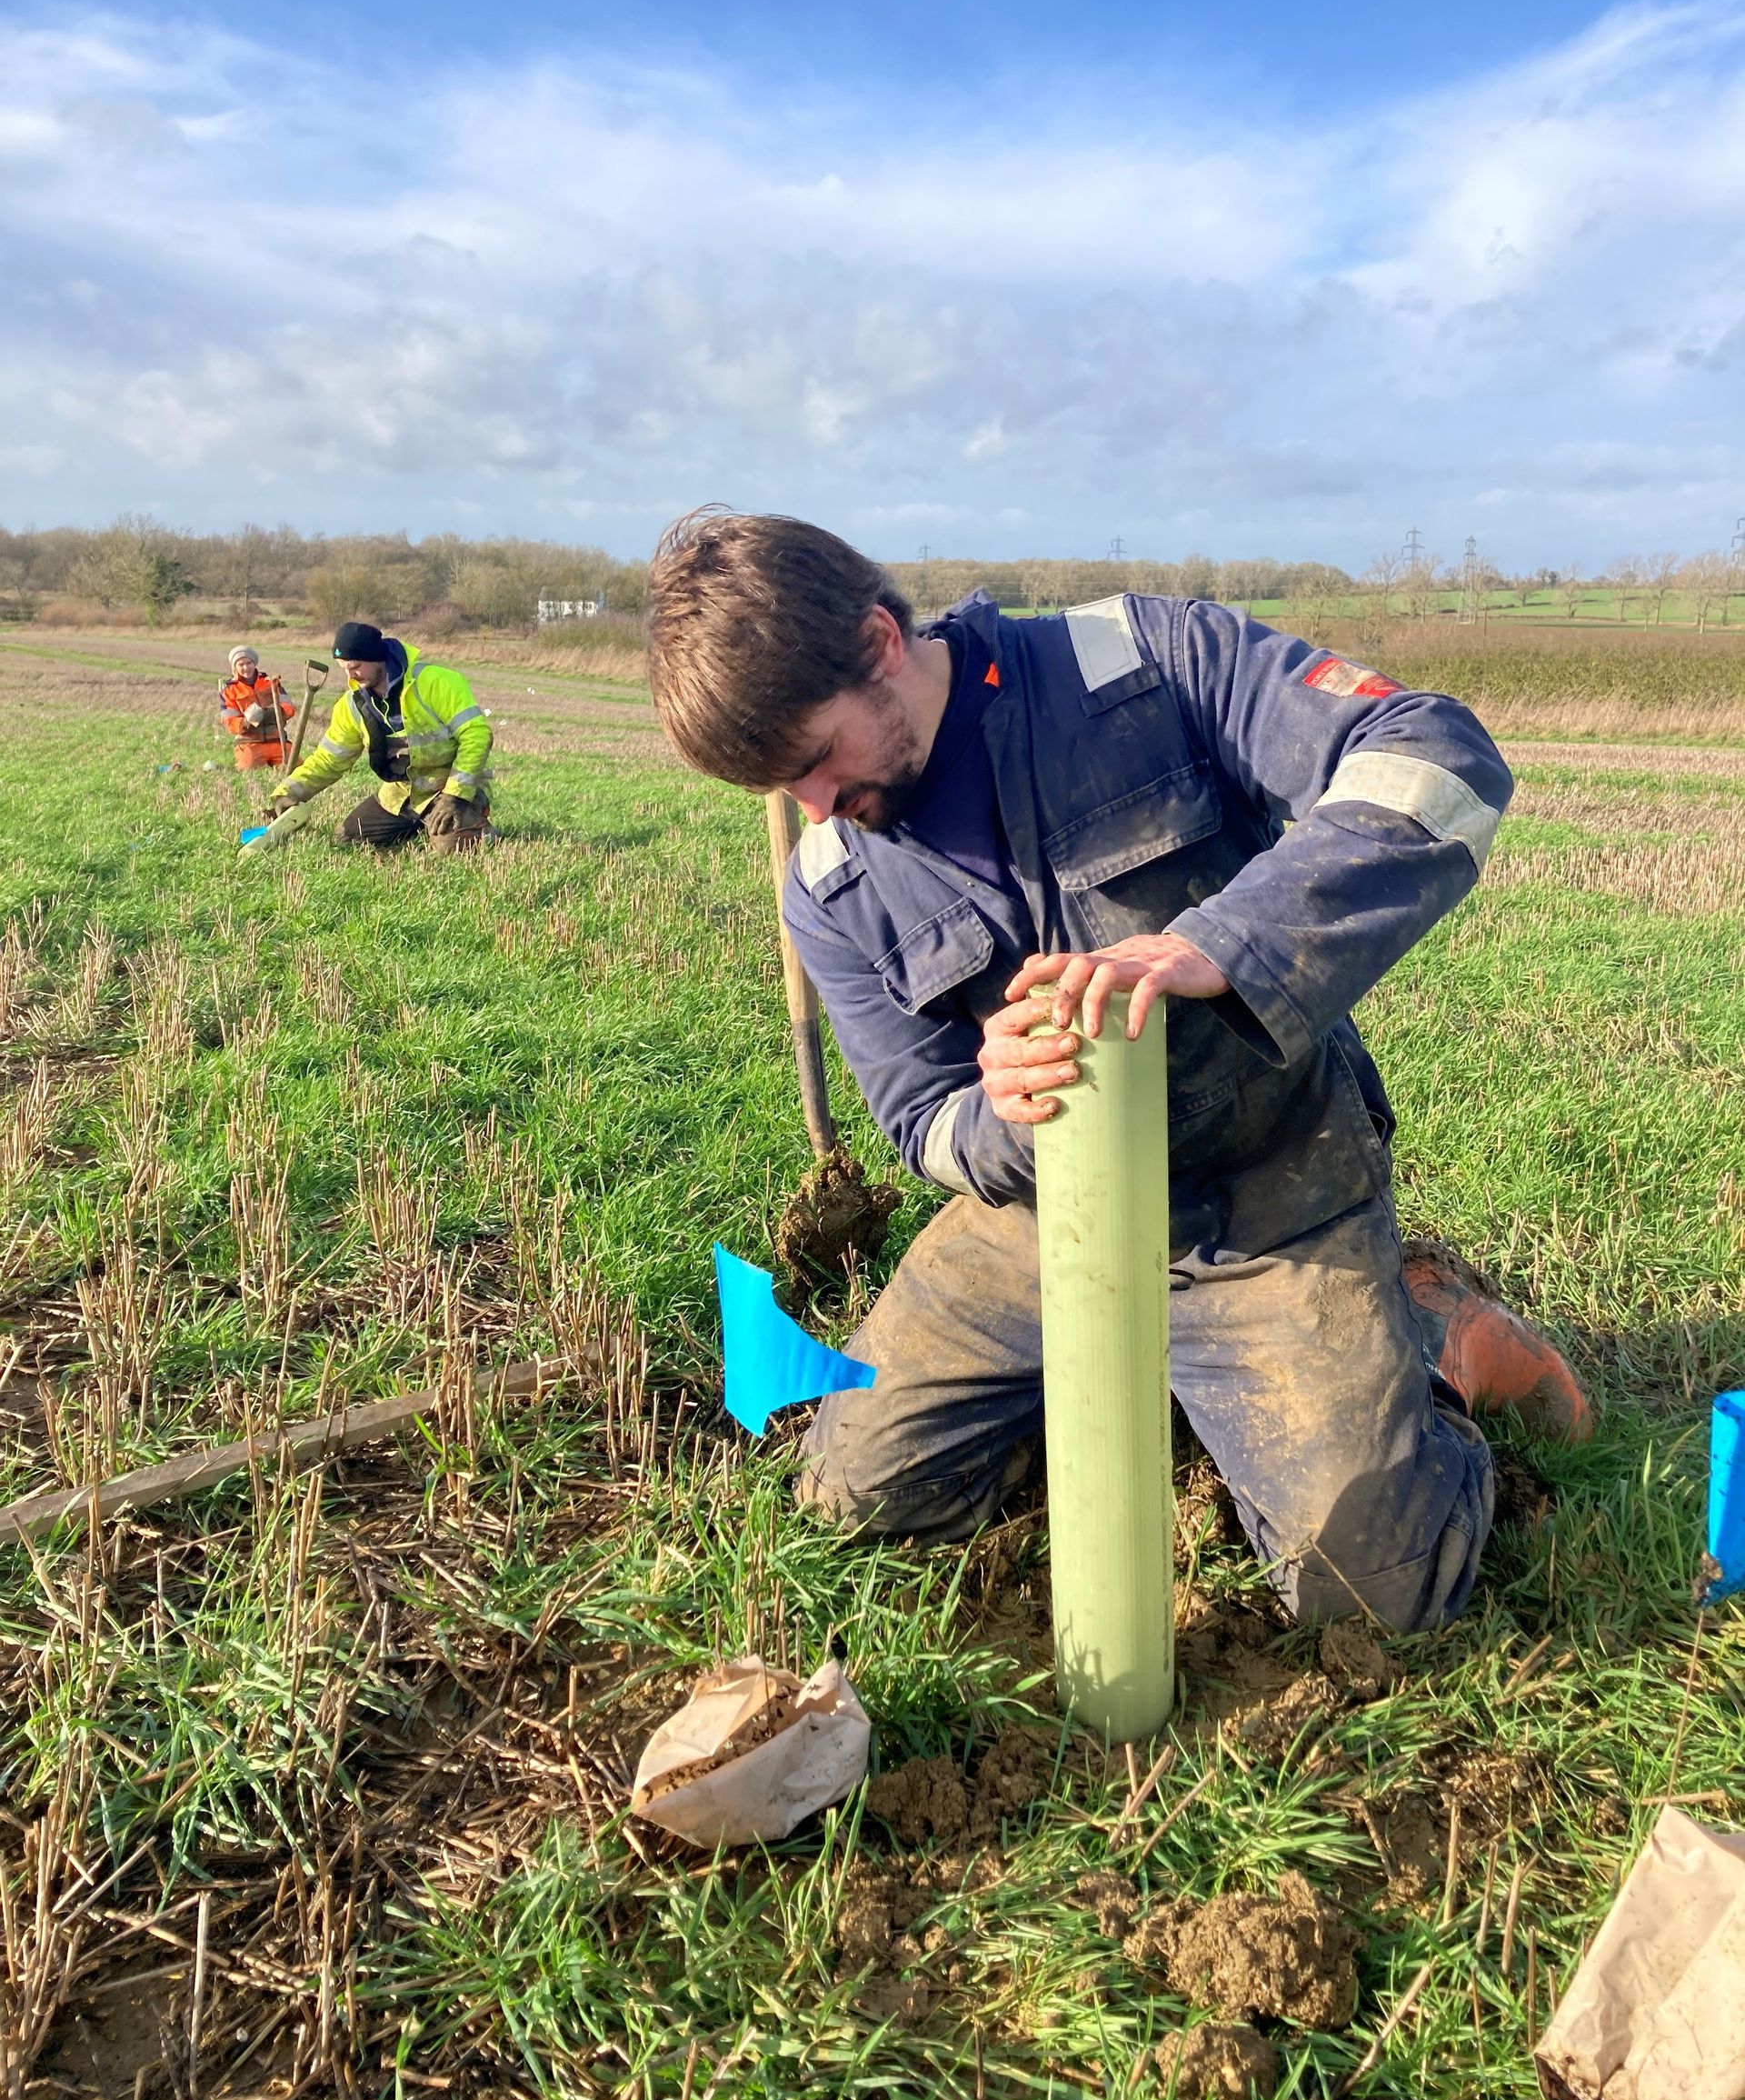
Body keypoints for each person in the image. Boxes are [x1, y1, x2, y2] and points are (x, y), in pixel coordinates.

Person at [645, 510, 1594, 1632]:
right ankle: (1147, 1384)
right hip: (1040, 1221)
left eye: (814, 759)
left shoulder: (1145, 661)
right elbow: (920, 1118)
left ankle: (1431, 1330)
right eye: (778, 785)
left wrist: (1221, 943)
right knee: (849, 1495)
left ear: (878, 642)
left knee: (1374, 1597)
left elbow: (1436, 756)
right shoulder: (828, 879)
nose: (813, 806)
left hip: (1266, 1201)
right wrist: (997, 1106)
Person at [266, 621, 493, 851]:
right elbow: (330, 759)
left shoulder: (438, 682)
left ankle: (480, 828)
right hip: (402, 793)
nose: (350, 675)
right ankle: (419, 825)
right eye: (344, 668)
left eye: (355, 666)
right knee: (348, 839)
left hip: (449, 788)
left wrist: (454, 795)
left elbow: (476, 735)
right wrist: (289, 792)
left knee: (452, 849)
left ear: (377, 658)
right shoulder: (352, 704)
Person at [218, 645, 294, 771]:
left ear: (254, 663)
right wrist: (247, 721)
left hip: (277, 740)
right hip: (249, 743)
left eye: (249, 663)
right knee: (246, 768)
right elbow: (229, 723)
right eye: (241, 664)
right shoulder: (229, 691)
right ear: (234, 667)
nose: (245, 668)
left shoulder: (270, 682)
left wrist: (274, 713)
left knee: (296, 767)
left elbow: (289, 708)